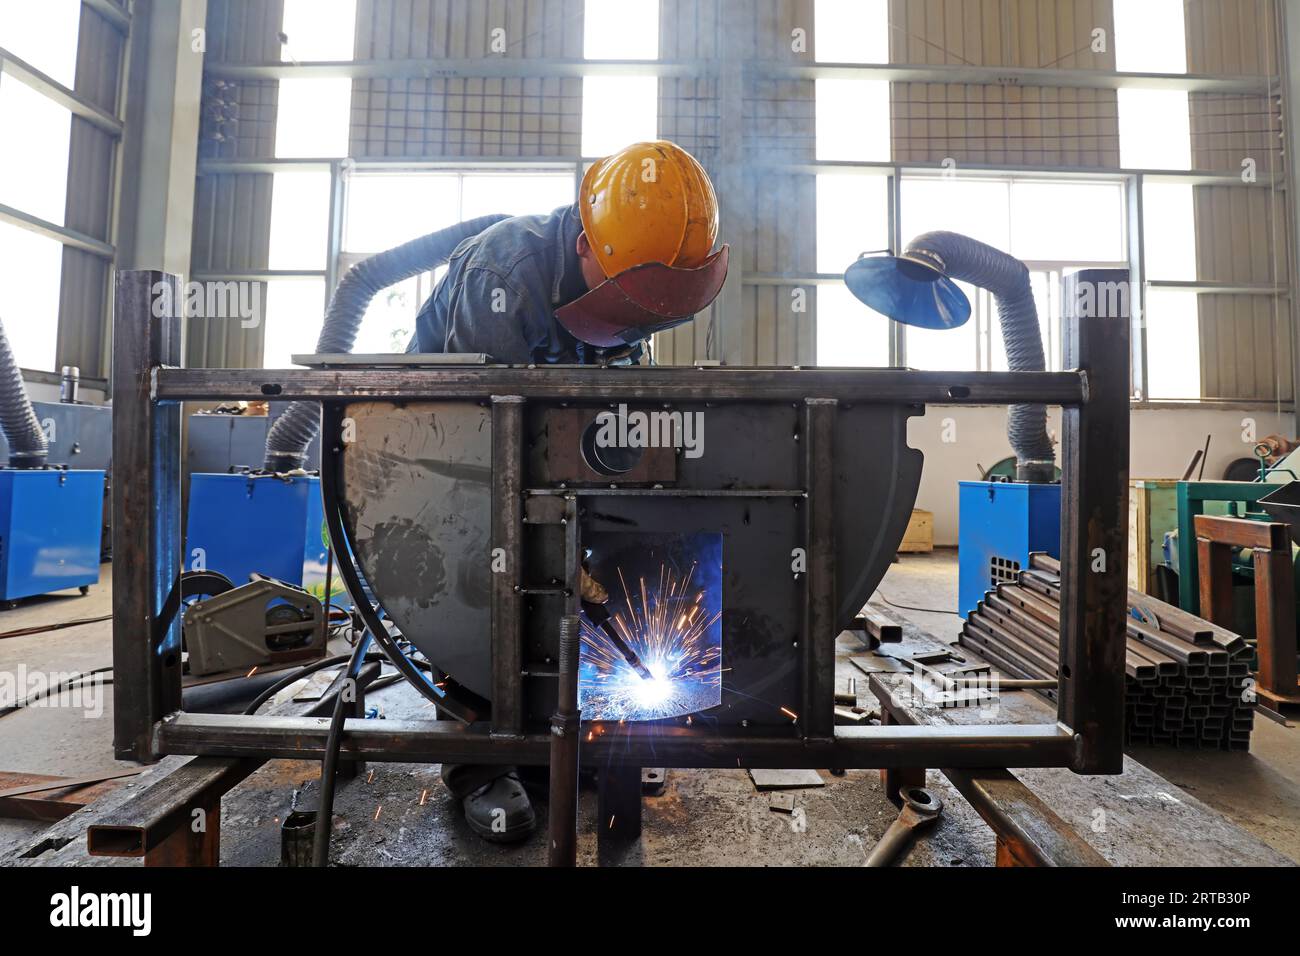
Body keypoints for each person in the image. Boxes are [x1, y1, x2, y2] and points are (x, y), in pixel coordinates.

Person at [407, 140, 728, 842]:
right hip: (452, 458)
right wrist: (545, 534)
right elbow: (485, 439)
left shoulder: (633, 279)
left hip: (554, 451)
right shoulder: (504, 273)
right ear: (586, 245)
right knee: (483, 580)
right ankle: (479, 765)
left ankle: (565, 733)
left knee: (593, 562)